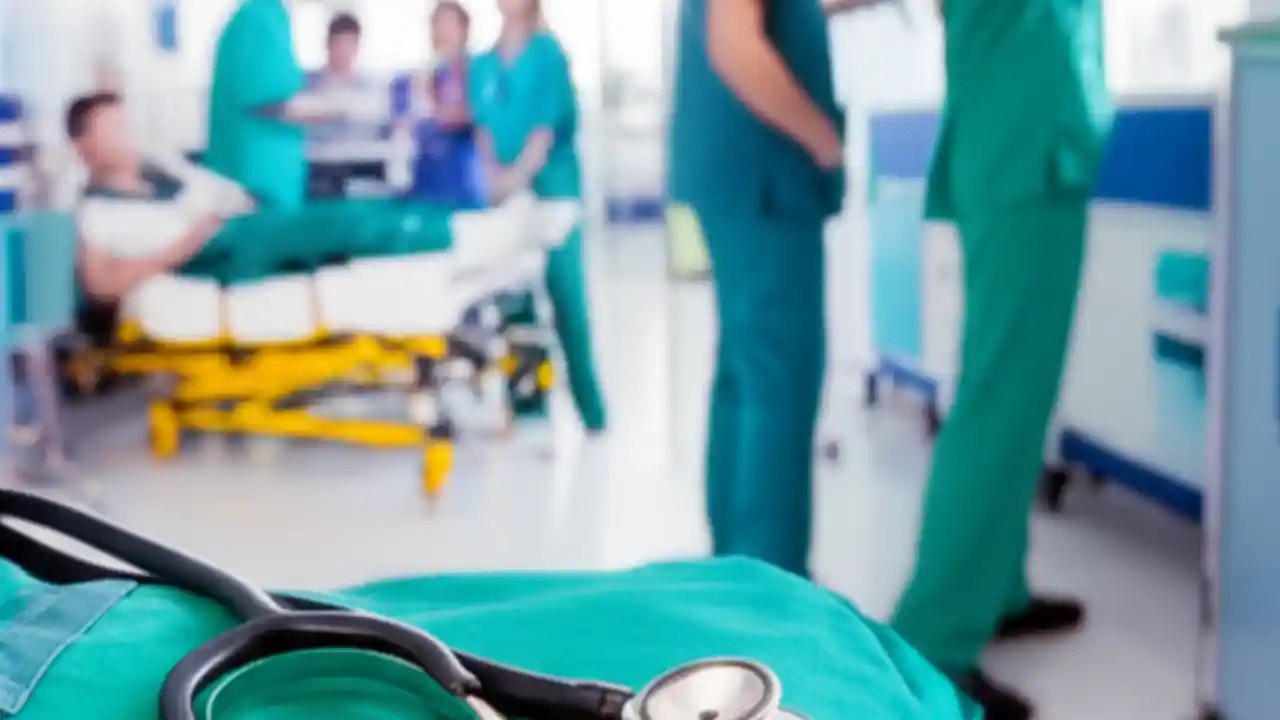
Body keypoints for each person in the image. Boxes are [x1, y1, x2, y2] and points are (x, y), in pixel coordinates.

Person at [889, 0, 1114, 717]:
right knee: (998, 401)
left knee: (1015, 398)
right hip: (1024, 153)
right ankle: (936, 637)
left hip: (1024, 148)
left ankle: (997, 592)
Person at [668, 0, 846, 578]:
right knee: (778, 379)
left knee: (747, 374)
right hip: (764, 174)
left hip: (742, 174)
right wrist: (823, 137)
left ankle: (738, 573)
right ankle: (771, 584)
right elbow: (736, 44)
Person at [68, 93, 524, 298]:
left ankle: (459, 230)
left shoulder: (162, 171)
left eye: (125, 123)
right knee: (338, 225)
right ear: (83, 145)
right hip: (208, 254)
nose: (127, 135)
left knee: (350, 210)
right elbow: (100, 285)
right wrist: (183, 245)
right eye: (113, 128)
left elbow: (218, 191)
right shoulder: (96, 212)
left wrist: (241, 202)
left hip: (237, 226)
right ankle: (461, 238)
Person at [468, 0, 607, 433]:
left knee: (566, 297)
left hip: (552, 191)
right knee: (511, 297)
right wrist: (494, 179)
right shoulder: (483, 64)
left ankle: (591, 408)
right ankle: (527, 404)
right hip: (504, 197)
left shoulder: (549, 55)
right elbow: (483, 129)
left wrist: (515, 178)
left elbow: (544, 132)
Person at [205, 0, 333, 211]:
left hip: (269, 173)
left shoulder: (270, 17)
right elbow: (263, 99)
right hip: (257, 177)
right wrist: (332, 110)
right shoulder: (259, 19)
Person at [390, 1, 484, 208]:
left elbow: (477, 114)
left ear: (464, 30)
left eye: (448, 25)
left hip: (461, 180)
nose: (441, 32)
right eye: (436, 25)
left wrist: (437, 110)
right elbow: (403, 123)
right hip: (425, 180)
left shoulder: (478, 71)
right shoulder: (420, 75)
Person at [306, 13, 384, 148]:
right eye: (338, 44)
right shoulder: (310, 83)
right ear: (328, 44)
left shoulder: (369, 87)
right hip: (320, 156)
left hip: (360, 156)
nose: (343, 52)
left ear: (357, 46)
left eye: (348, 44)